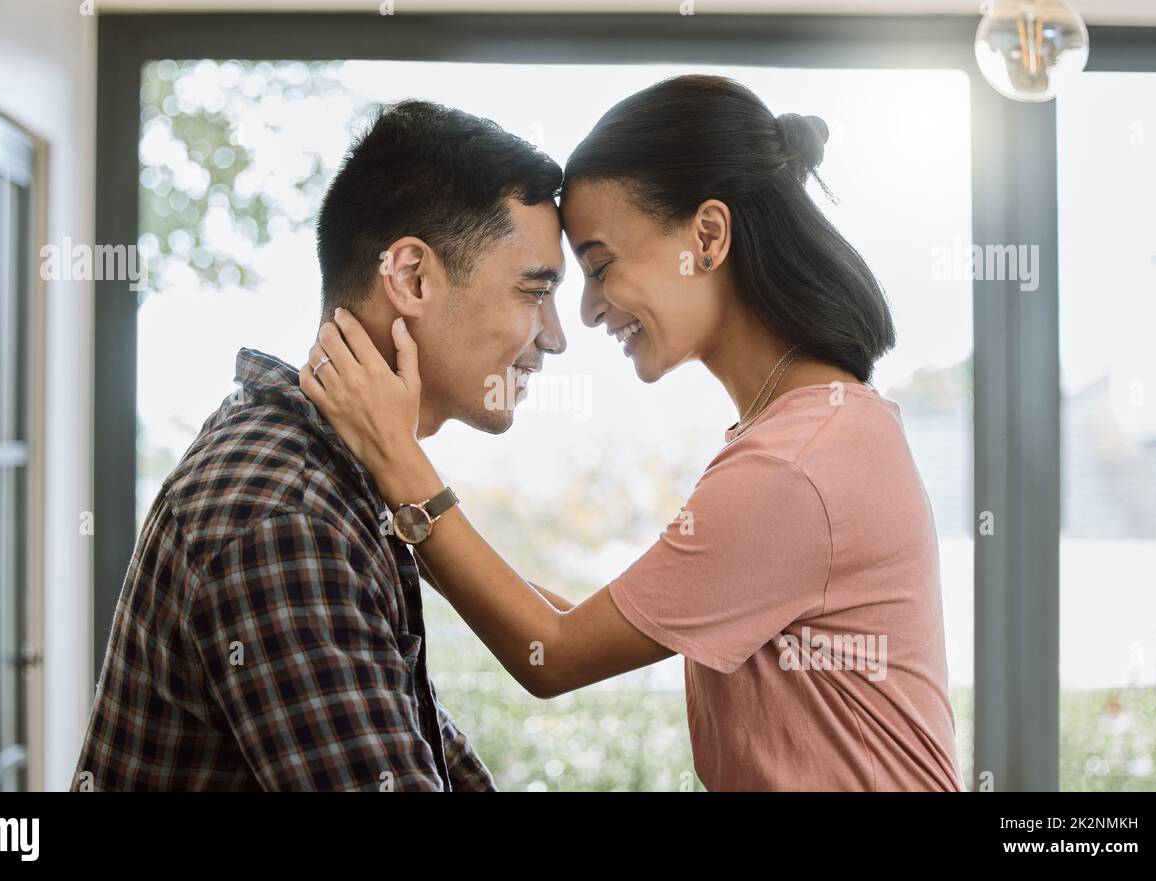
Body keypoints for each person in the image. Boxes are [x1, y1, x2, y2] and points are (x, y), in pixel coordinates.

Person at [299, 75, 963, 792]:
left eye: (601, 266)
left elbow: (550, 653)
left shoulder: (795, 467)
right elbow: (568, 622)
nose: (584, 314)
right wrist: (397, 505)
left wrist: (396, 458)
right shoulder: (809, 433)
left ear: (707, 235)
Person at [71, 99, 567, 790]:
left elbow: (420, 746)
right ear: (413, 277)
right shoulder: (287, 515)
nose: (554, 335)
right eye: (534, 290)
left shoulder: (331, 479)